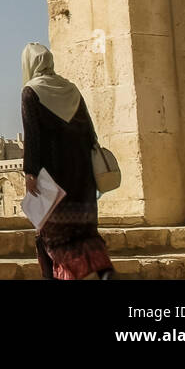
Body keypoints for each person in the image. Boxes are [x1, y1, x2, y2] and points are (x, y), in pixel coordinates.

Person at [21, 42, 115, 280]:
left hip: (54, 179)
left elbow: (32, 136)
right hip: (82, 177)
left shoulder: (31, 92)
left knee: (53, 237)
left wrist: (30, 172)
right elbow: (89, 131)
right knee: (85, 234)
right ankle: (102, 273)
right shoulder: (71, 89)